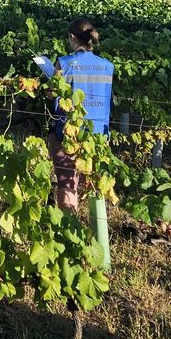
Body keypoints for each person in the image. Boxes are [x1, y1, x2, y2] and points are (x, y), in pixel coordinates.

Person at [48, 17, 114, 212]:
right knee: (94, 184)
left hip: (68, 132)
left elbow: (51, 93)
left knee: (67, 183)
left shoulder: (64, 63)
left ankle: (70, 225)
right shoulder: (107, 66)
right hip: (99, 134)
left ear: (72, 37)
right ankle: (96, 225)